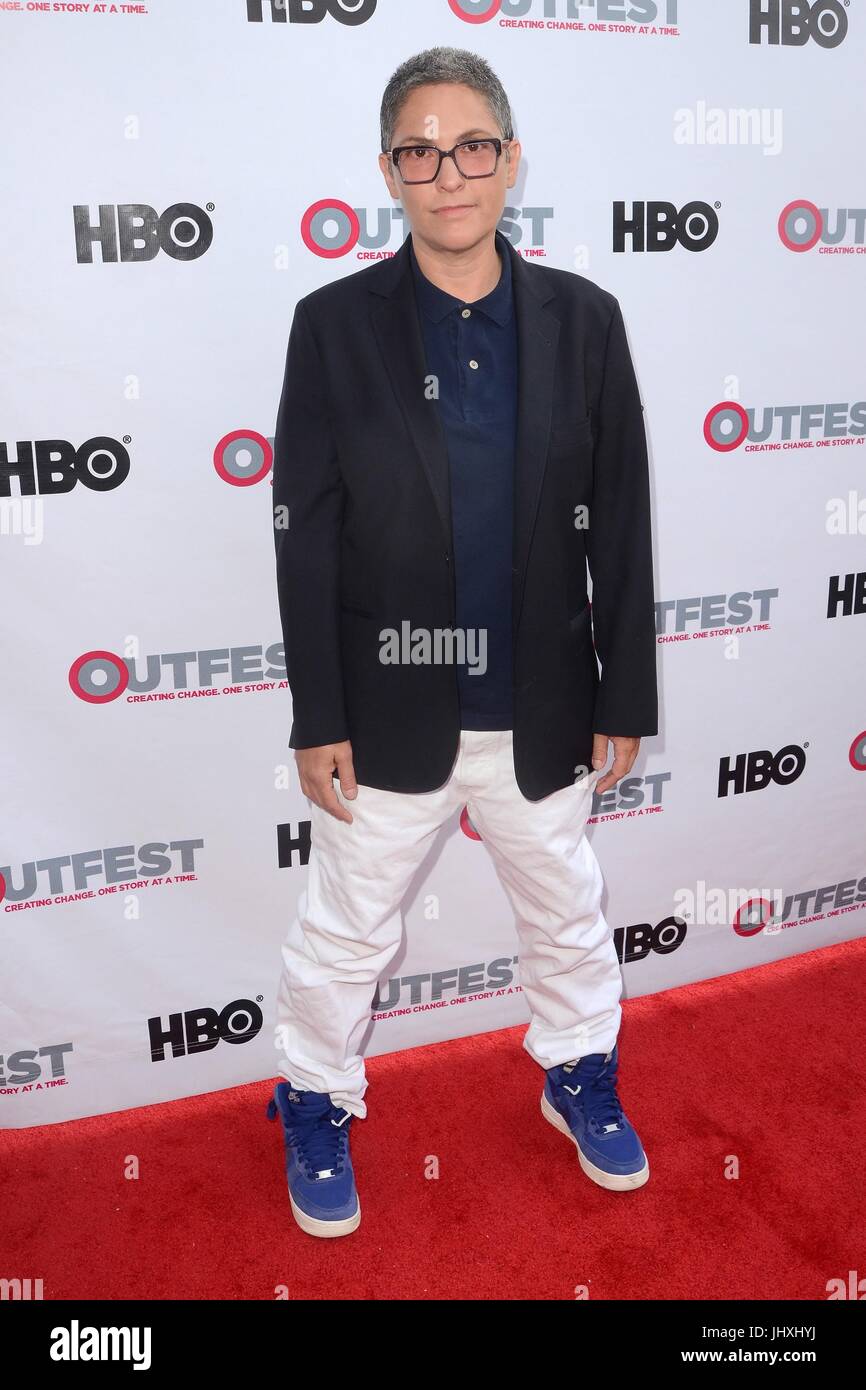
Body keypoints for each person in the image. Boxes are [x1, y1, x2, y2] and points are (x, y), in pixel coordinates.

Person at [266, 45, 658, 1238]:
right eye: (420, 151)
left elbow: (623, 521)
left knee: (565, 906)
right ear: (388, 171)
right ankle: (312, 1096)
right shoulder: (331, 327)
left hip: (542, 699)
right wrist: (316, 713)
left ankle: (576, 1068)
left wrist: (622, 693)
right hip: (389, 706)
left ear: (510, 158)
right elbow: (307, 534)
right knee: (346, 929)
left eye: (472, 146)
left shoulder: (584, 320)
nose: (450, 173)